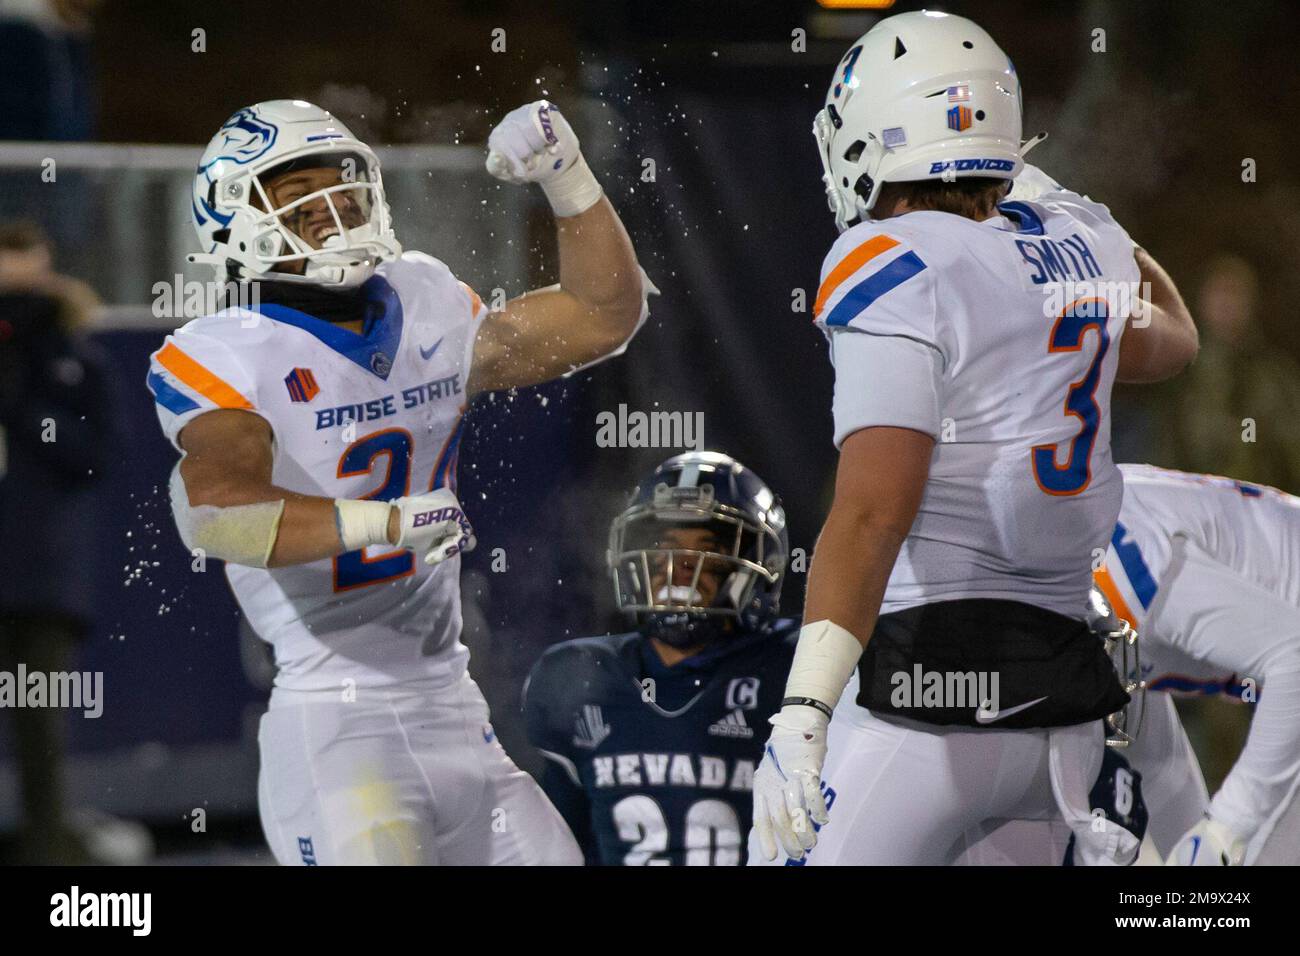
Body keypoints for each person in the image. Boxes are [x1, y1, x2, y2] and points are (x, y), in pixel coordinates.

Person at [146, 99, 653, 865]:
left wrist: (568, 178)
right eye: (295, 195)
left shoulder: (425, 297)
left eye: (341, 186)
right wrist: (378, 524)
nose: (332, 208)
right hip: (338, 728)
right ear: (233, 220)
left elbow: (602, 315)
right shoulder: (223, 352)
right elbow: (214, 514)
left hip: (455, 710)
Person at [748, 11, 1198, 865]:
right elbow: (1172, 337)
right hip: (1065, 717)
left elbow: (875, 511)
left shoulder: (892, 257)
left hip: (925, 712)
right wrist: (1073, 211)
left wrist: (805, 711)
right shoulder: (1082, 242)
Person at [523, 452, 796, 865]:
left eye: (708, 551)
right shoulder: (579, 675)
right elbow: (554, 846)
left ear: (754, 568)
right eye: (665, 548)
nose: (681, 569)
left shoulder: (791, 665)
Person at [1092, 464, 1300, 865]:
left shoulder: (1116, 575)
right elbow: (1159, 761)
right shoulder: (1082, 594)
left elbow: (1295, 656)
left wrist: (1225, 829)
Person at [0, 220, 119, 862]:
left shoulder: (74, 356)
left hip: (42, 577)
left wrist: (28, 406)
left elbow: (99, 454)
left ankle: (49, 855)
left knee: (40, 727)